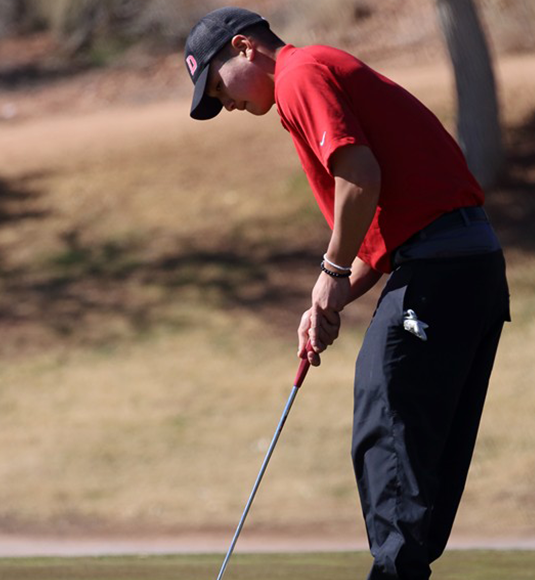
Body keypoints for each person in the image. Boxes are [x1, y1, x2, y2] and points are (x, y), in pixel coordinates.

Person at [184, 7, 511, 580]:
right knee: (421, 438)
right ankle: (404, 569)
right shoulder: (308, 76)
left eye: (217, 85)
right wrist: (328, 301)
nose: (225, 104)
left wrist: (331, 273)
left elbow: (360, 177)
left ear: (244, 48)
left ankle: (395, 572)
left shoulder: (299, 74)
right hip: (467, 268)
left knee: (383, 400)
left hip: (442, 269)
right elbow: (385, 232)